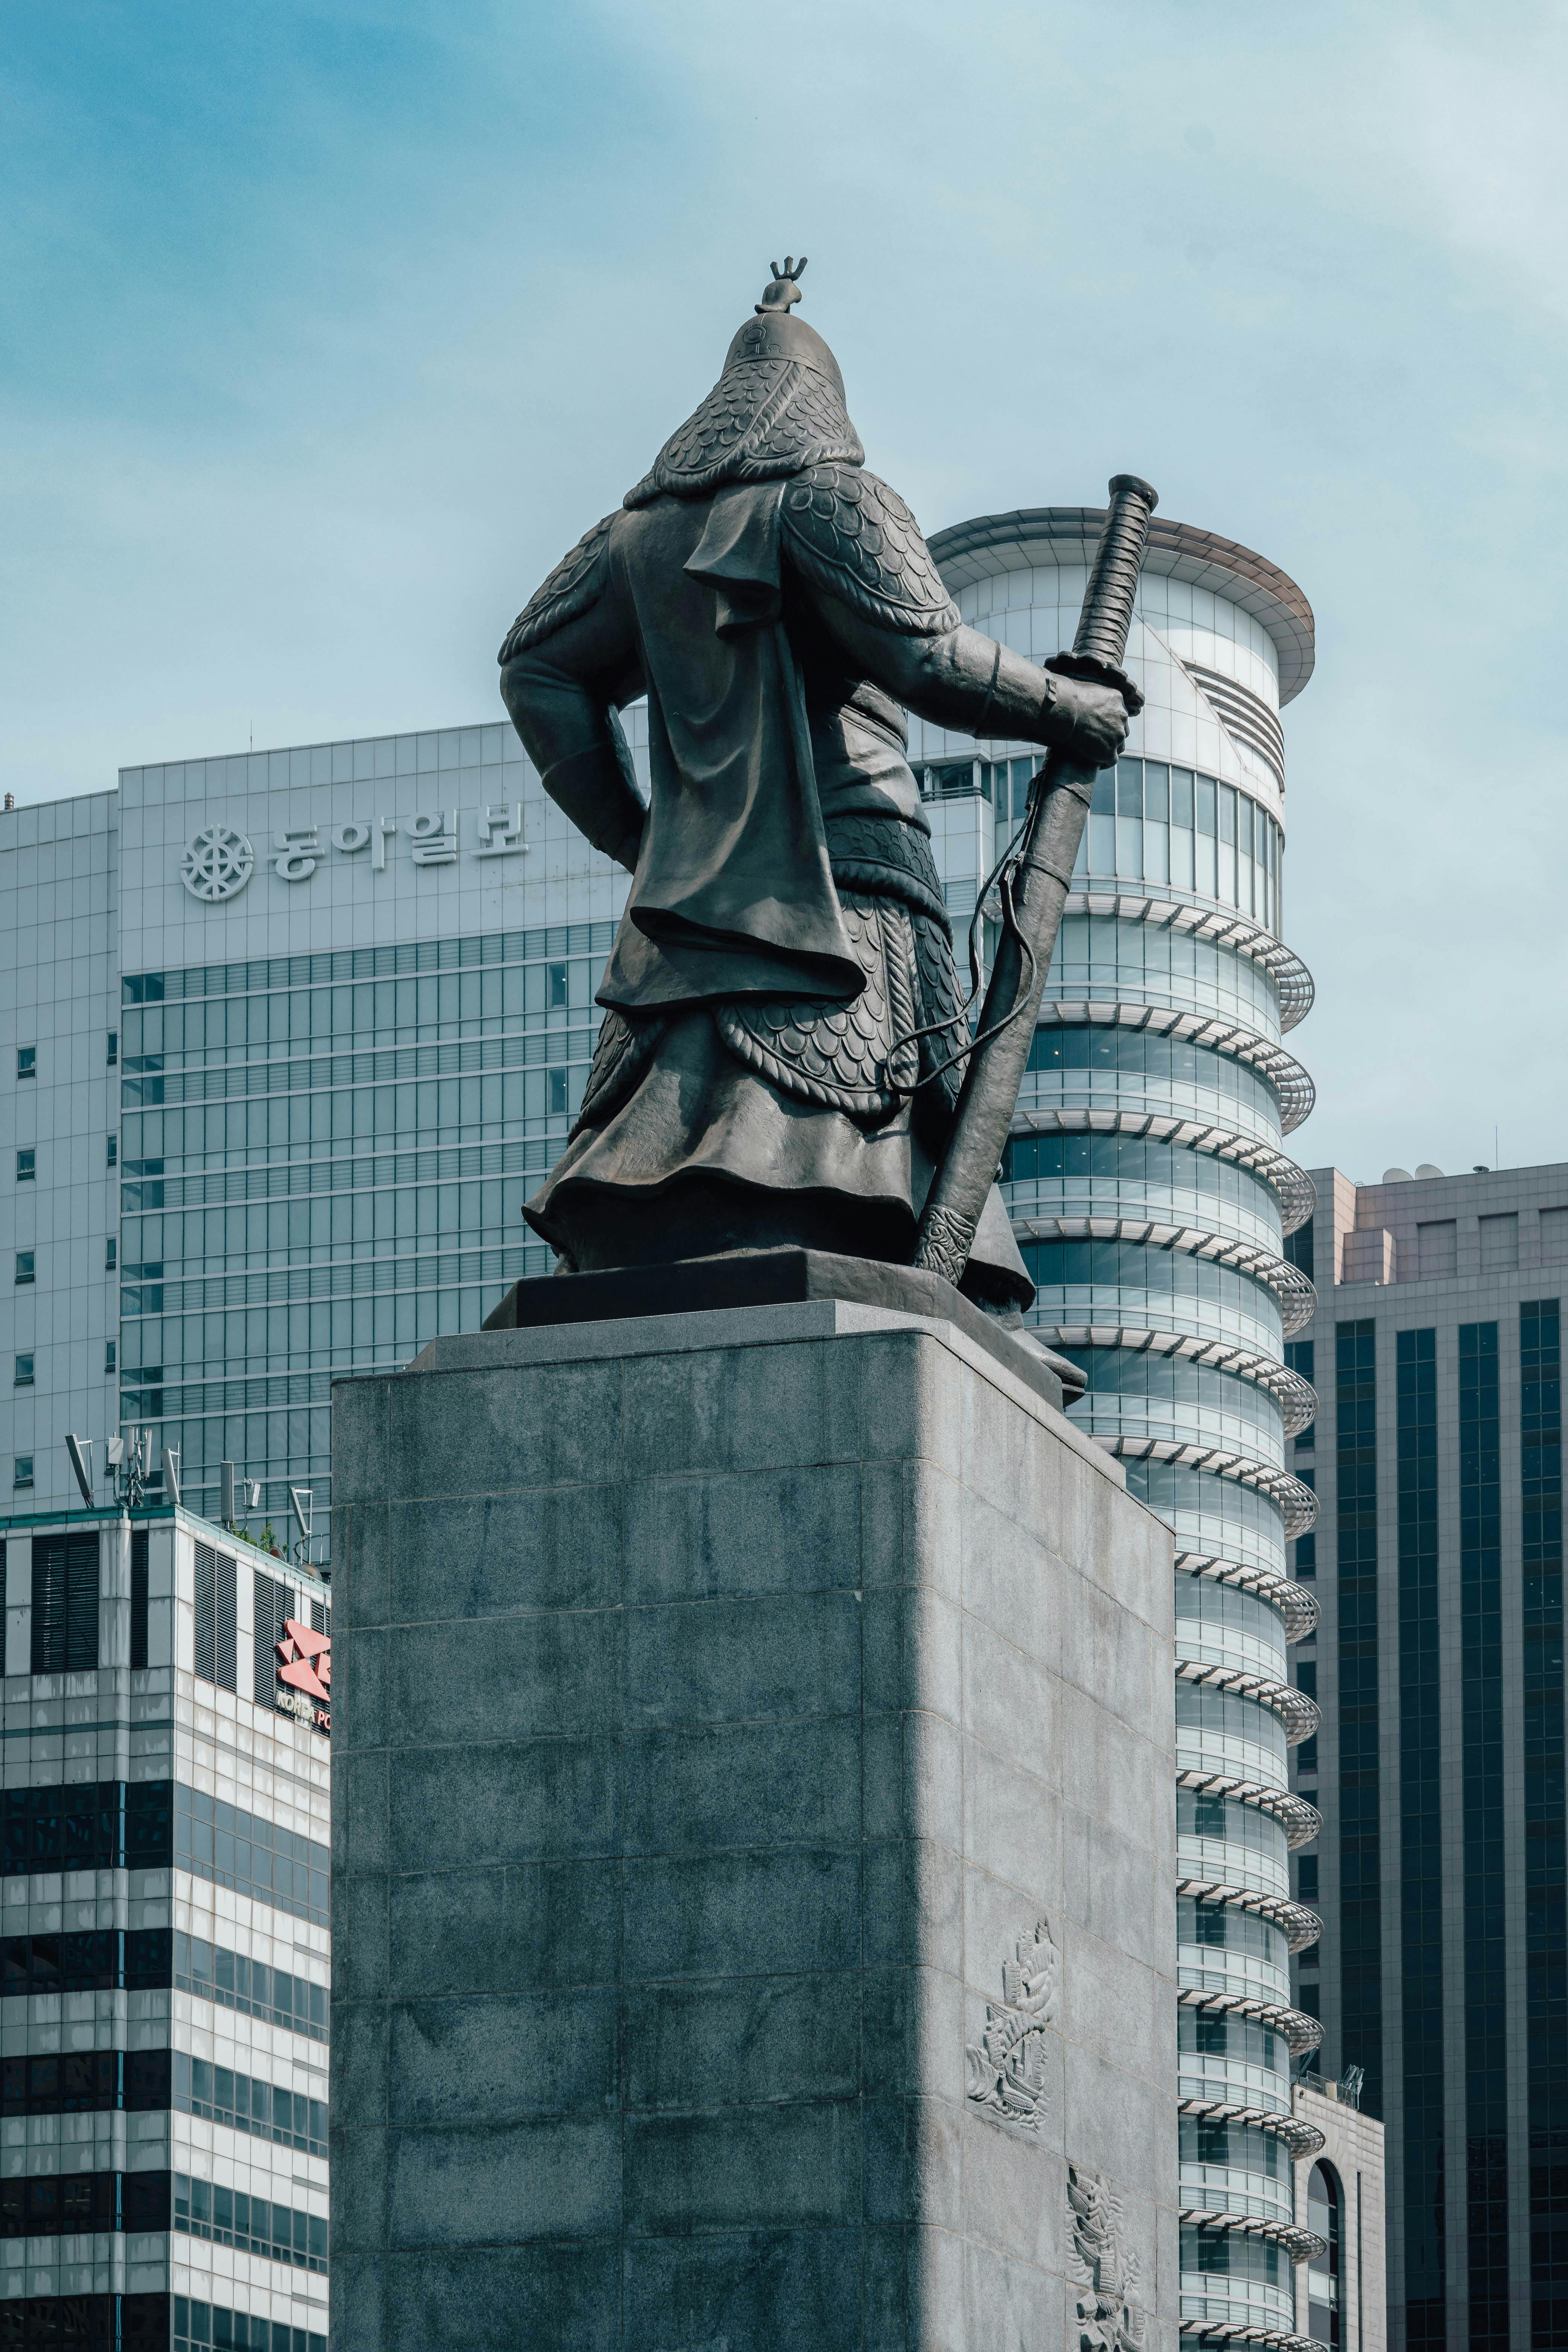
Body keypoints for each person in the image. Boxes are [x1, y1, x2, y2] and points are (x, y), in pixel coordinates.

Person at [499, 260, 1128, 1305]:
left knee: (700, 1092)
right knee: (860, 1105)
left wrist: (646, 839)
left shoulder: (630, 540)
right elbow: (927, 656)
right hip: (854, 881)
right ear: (822, 406)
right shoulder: (834, 499)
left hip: (685, 913)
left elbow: (535, 666)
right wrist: (1073, 710)